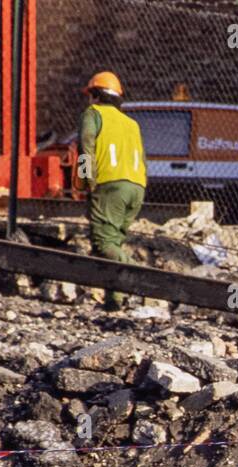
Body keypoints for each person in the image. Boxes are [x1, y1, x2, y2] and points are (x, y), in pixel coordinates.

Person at [75, 71, 146, 310]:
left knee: (103, 243)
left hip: (110, 186)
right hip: (137, 187)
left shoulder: (93, 114)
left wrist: (87, 180)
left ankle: (140, 276)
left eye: (90, 95)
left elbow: (86, 146)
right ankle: (114, 301)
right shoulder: (131, 123)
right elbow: (143, 159)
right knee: (114, 241)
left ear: (95, 95)